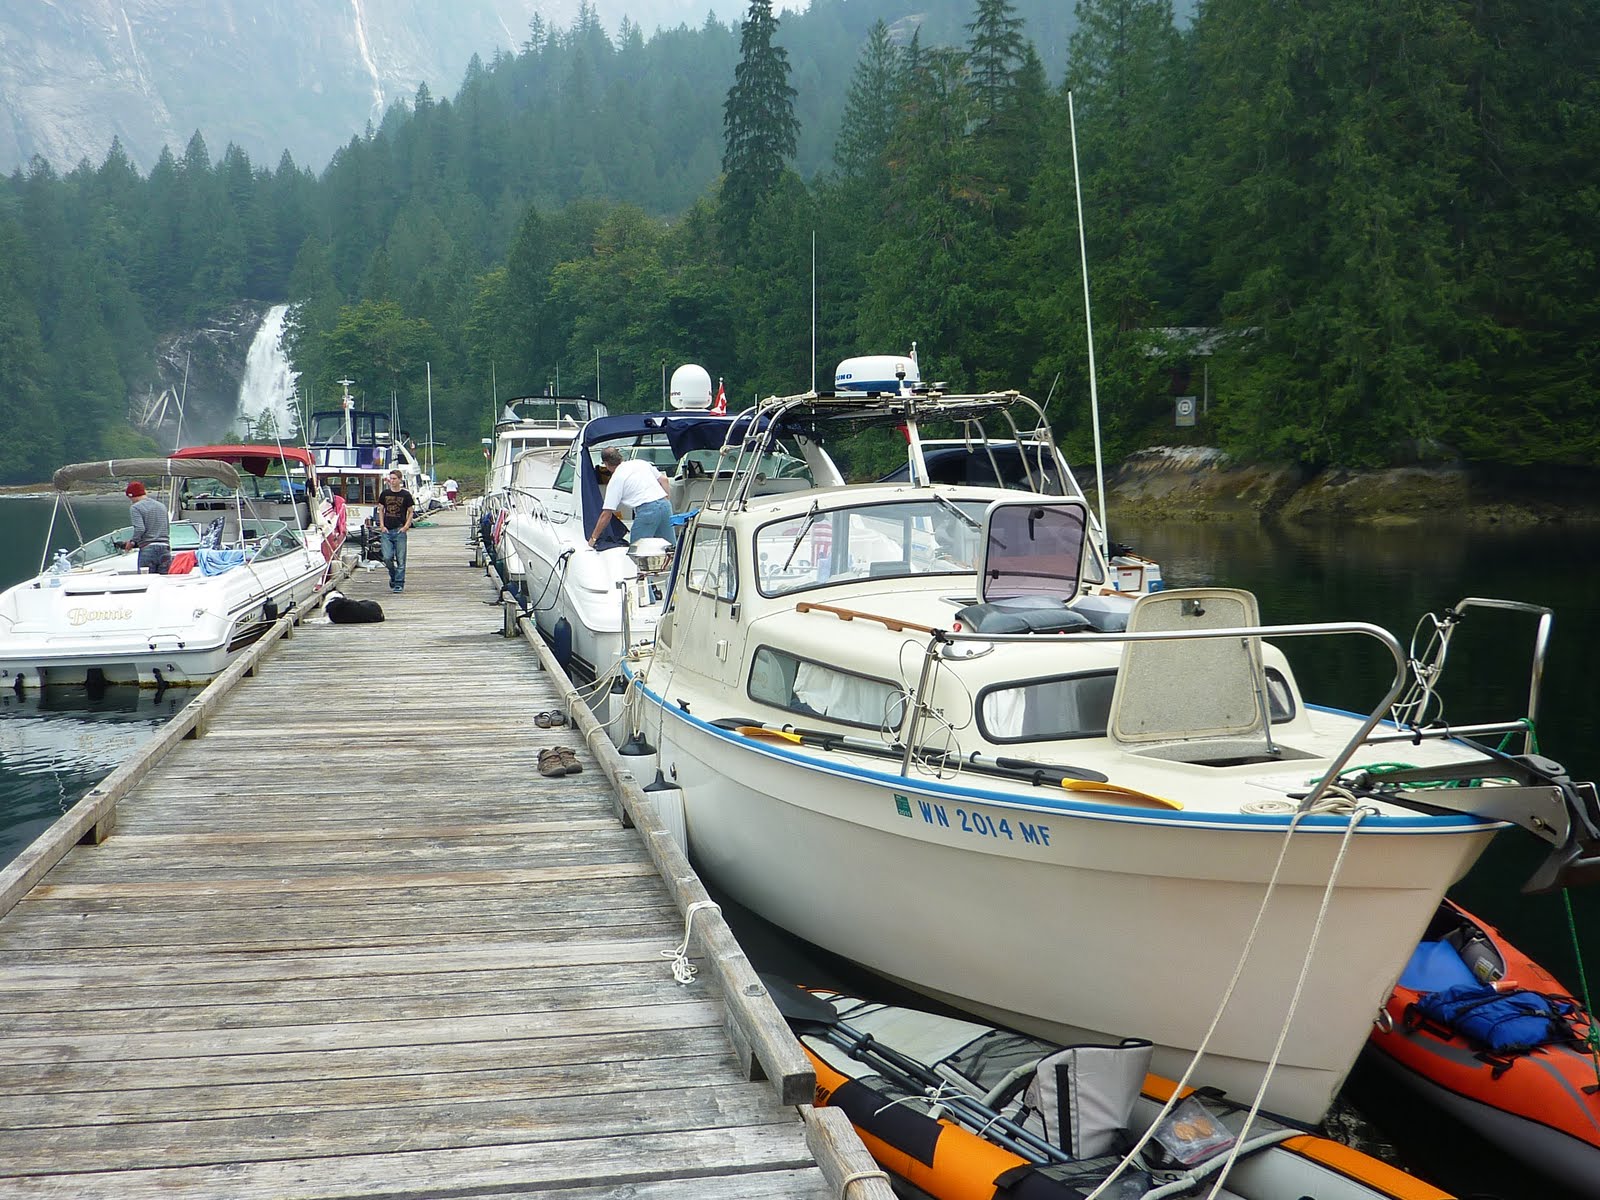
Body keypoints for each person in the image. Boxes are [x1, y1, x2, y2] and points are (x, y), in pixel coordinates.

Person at [587, 447, 670, 548]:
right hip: (665, 505)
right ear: (621, 457)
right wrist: (666, 501)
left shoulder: (616, 479)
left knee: (637, 552)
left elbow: (606, 514)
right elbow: (664, 480)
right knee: (669, 549)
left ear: (606, 464)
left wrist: (593, 538)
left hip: (647, 511)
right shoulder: (640, 463)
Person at [375, 469, 415, 592]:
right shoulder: (385, 494)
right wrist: (381, 525)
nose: (392, 481)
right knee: (387, 557)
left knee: (401, 559)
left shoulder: (405, 495)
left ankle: (399, 583)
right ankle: (393, 574)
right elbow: (381, 509)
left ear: (399, 480)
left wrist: (406, 526)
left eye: (394, 479)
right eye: (391, 478)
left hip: (399, 530)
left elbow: (410, 511)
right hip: (387, 530)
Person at [120, 481, 171, 574]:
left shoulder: (135, 507)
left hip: (148, 549)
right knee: (163, 580)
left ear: (131, 495)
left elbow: (140, 529)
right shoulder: (162, 506)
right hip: (165, 548)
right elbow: (167, 528)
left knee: (146, 580)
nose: (130, 500)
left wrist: (131, 543)